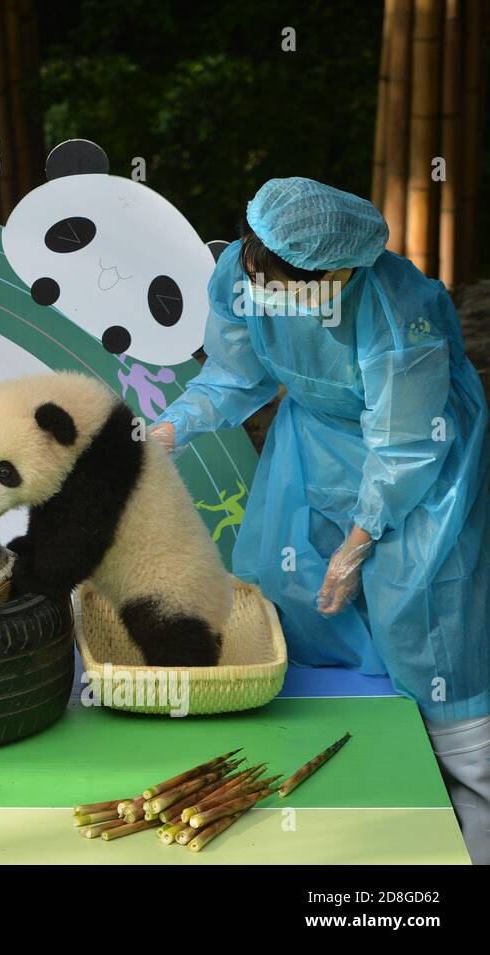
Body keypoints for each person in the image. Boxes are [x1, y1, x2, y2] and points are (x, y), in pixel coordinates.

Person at [152, 177, 490, 863]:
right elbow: (234, 375)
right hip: (312, 443)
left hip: (418, 453)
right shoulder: (245, 269)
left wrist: (362, 538)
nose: (282, 301)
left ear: (347, 269)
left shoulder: (400, 309)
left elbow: (404, 442)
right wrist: (170, 429)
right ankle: (370, 795)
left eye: (305, 288)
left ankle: (473, 802)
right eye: (267, 282)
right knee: (290, 598)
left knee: (424, 618)